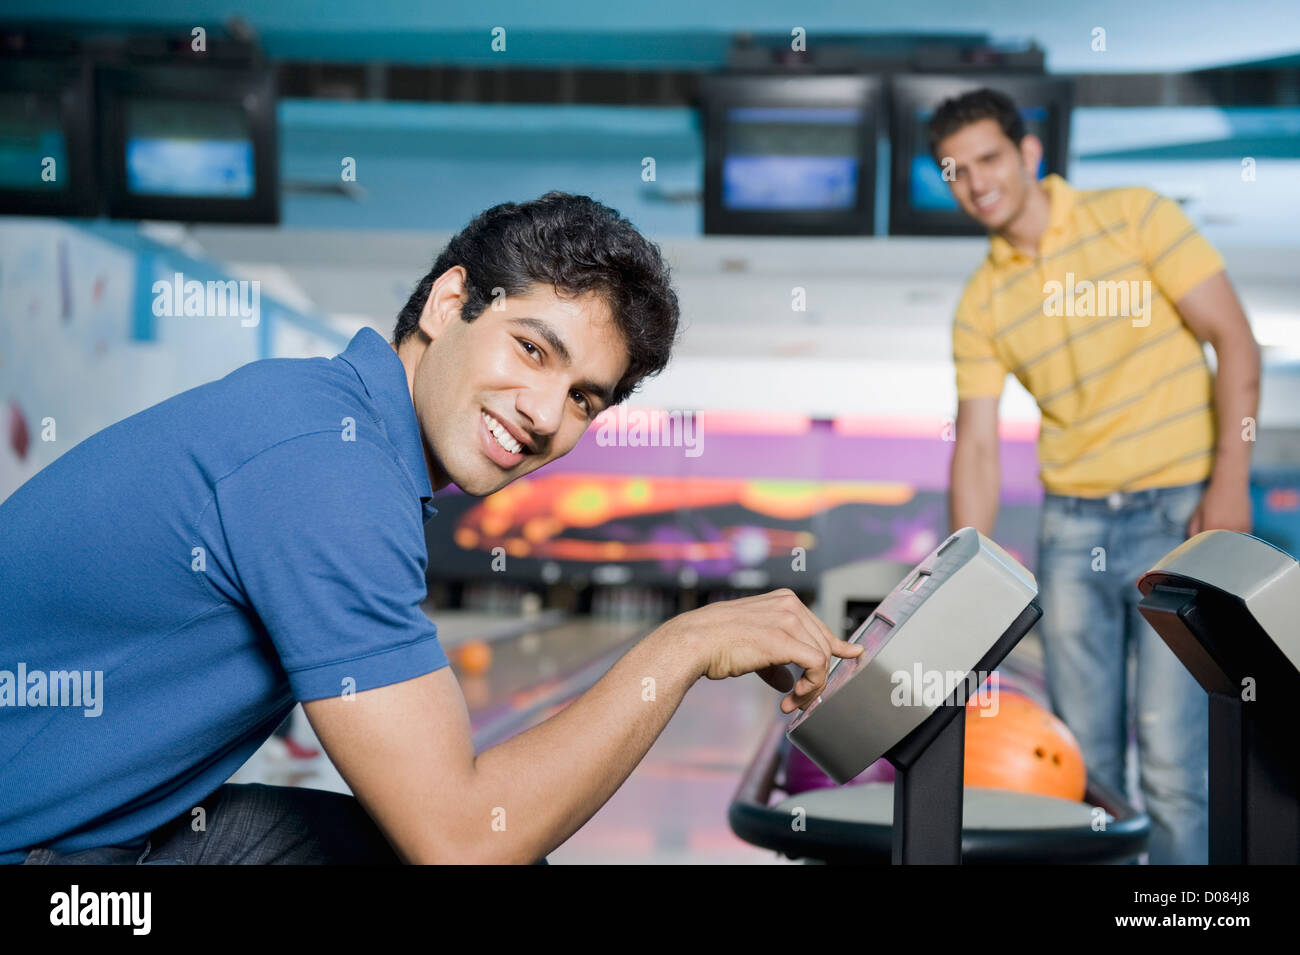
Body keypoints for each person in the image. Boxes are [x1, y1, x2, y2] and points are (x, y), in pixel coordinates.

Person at [0, 193, 862, 865]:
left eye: (583, 400)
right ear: (452, 301)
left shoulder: (329, 420)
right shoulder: (329, 469)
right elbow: (462, 840)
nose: (543, 415)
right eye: (533, 348)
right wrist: (681, 644)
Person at [935, 89, 1260, 864]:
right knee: (1087, 763)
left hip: (1177, 515)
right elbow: (977, 445)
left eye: (988, 159)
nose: (976, 182)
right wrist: (965, 567)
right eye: (955, 171)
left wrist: (1231, 484)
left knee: (1174, 760)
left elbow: (1235, 341)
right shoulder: (982, 301)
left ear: (1029, 154)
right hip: (1073, 528)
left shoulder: (1136, 216)